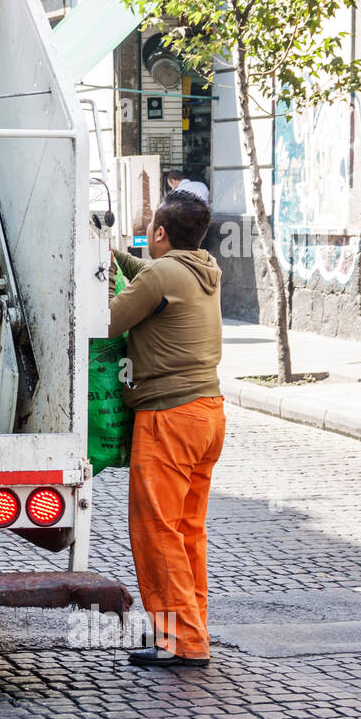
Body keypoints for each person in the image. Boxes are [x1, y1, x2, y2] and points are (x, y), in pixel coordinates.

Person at [109, 190, 224, 668]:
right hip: (208, 413)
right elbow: (150, 276)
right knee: (187, 530)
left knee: (158, 532)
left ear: (159, 233)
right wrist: (113, 252)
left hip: (169, 418)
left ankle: (181, 641)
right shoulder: (203, 268)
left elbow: (109, 321)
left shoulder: (162, 274)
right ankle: (193, 631)